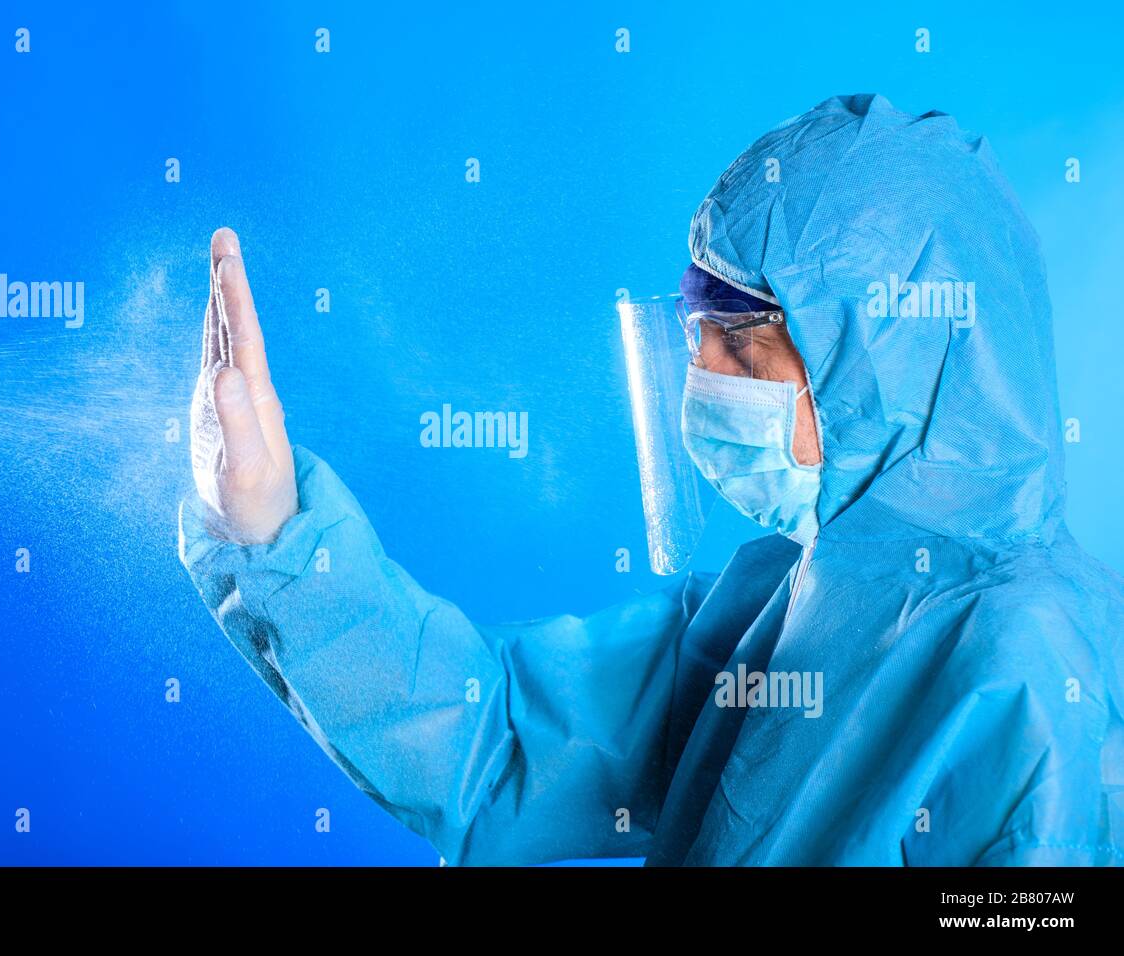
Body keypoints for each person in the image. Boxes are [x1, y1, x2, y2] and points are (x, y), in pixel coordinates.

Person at [179, 94, 1124, 865]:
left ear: (891, 357)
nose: (703, 381)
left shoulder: (1031, 676)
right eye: (691, 336)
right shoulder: (775, 605)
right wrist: (276, 534)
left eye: (743, 345)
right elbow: (497, 745)